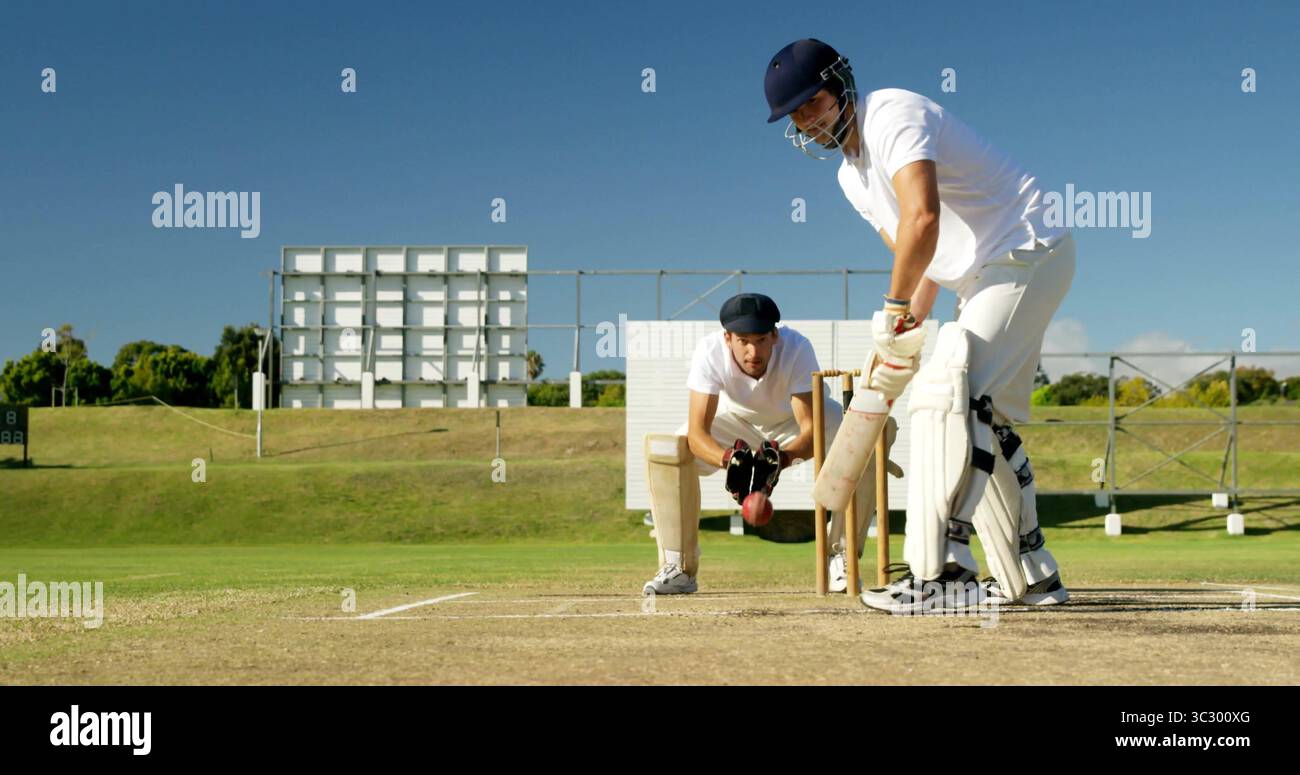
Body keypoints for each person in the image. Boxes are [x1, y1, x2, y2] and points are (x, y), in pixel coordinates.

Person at [763, 39, 1072, 613]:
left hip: (1026, 248)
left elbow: (923, 217)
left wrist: (890, 305)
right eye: (796, 115)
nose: (808, 120)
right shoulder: (850, 179)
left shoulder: (892, 114)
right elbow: (920, 255)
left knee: (942, 398)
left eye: (814, 102)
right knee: (979, 415)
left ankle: (943, 573)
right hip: (983, 277)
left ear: (841, 84)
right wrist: (903, 327)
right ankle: (1031, 575)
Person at [642, 292, 898, 595]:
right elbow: (698, 434)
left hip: (792, 425)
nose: (753, 351)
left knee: (868, 434)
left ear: (775, 335)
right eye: (743, 341)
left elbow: (810, 430)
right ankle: (679, 566)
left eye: (761, 340)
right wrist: (730, 460)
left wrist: (783, 460)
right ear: (727, 338)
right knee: (668, 449)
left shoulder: (796, 348)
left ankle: (839, 554)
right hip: (735, 422)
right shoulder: (709, 351)